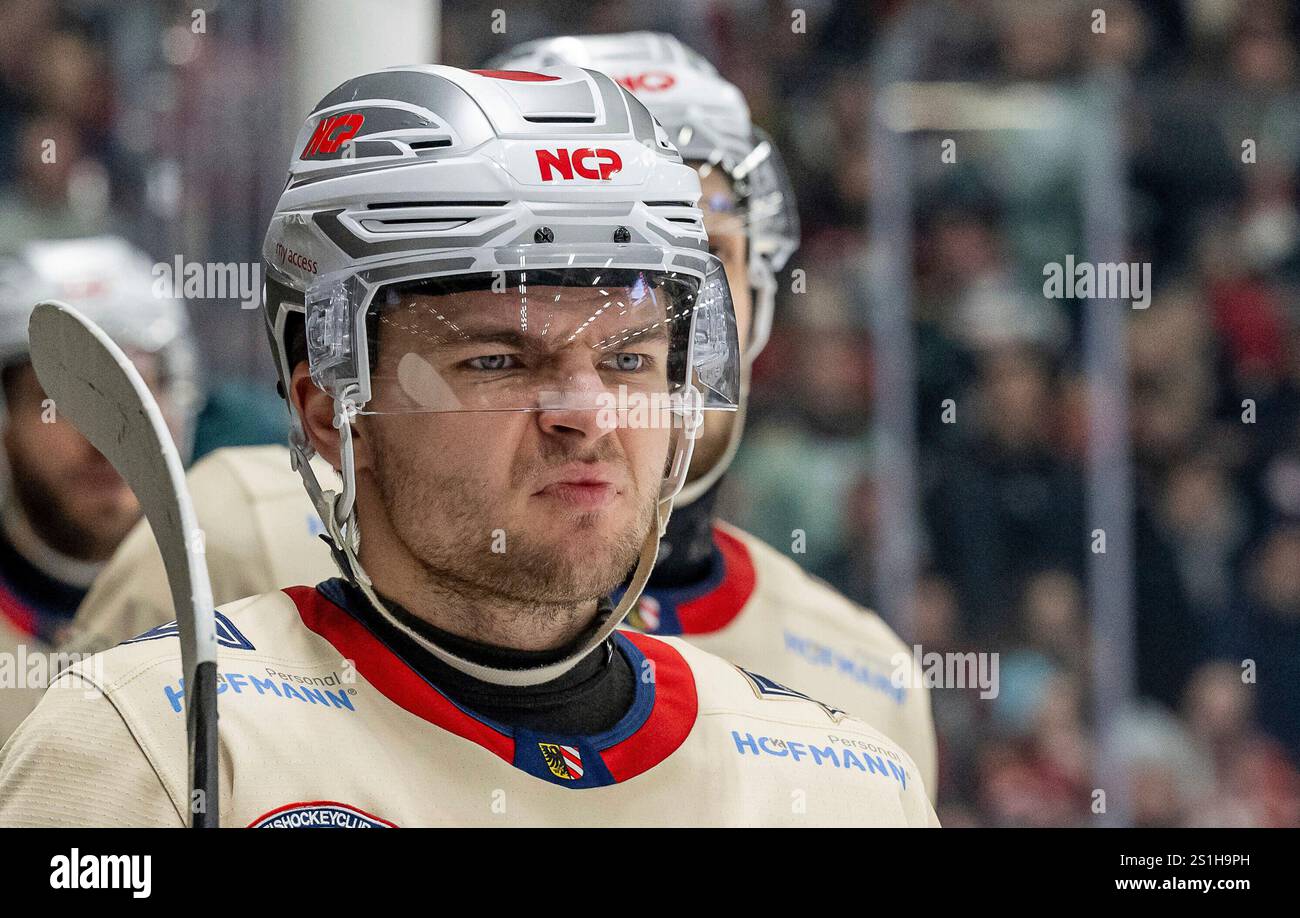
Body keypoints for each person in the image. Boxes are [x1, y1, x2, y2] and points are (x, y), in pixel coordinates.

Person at [1, 65, 937, 826]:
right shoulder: (152, 749)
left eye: (628, 357)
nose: (588, 414)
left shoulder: (844, 787)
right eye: (498, 359)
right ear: (329, 406)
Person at [0, 236, 197, 744]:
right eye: (57, 398)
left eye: (130, 389)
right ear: (5, 423)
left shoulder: (242, 614)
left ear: (176, 405)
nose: (100, 435)